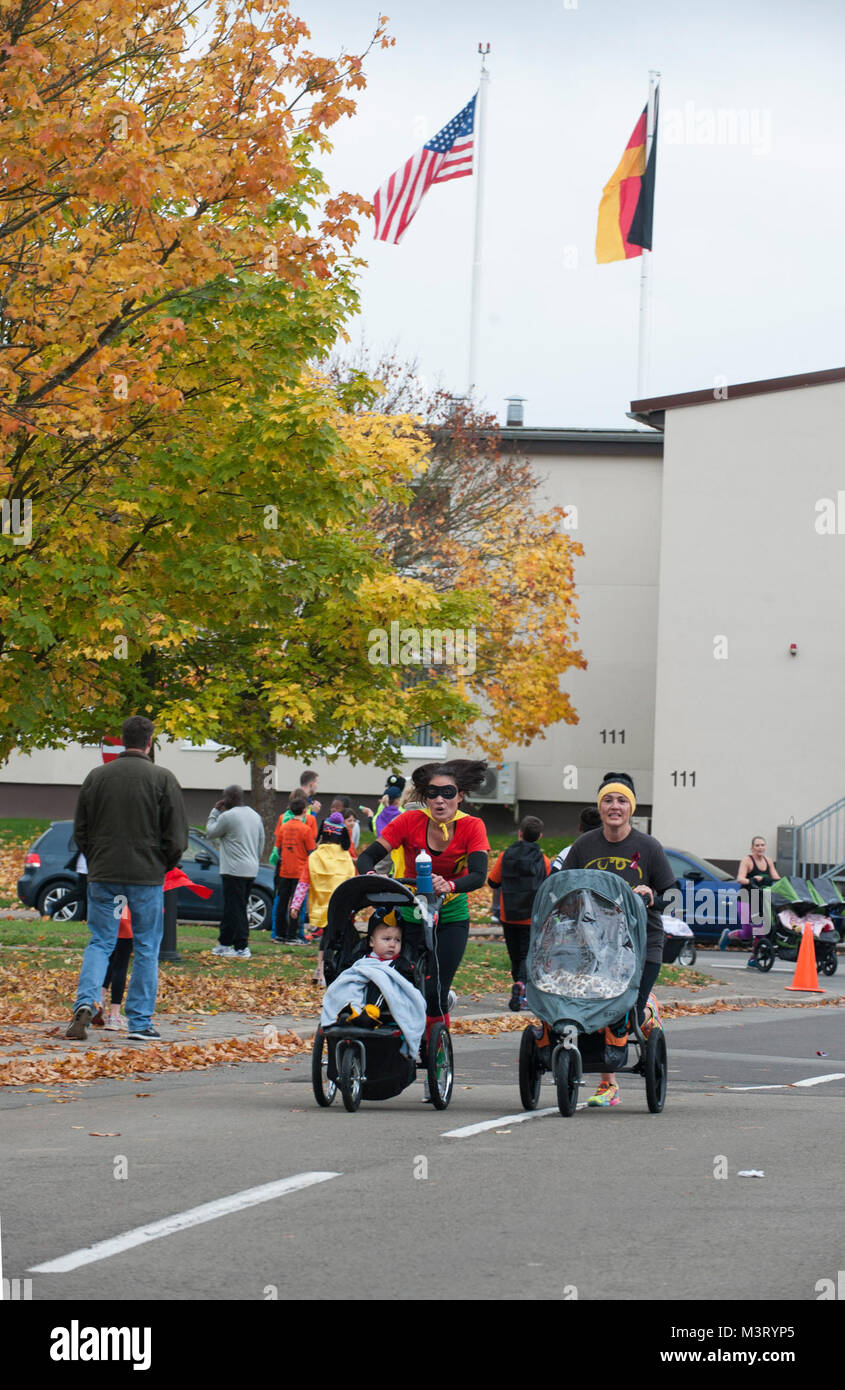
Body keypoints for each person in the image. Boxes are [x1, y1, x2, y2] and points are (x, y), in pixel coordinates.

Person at [66, 715, 188, 1043]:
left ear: (122, 739)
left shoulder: (97, 777)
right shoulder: (163, 778)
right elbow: (177, 836)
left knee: (101, 941)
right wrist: (162, 864)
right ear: (150, 743)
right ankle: (139, 1021)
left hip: (104, 873)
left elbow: (81, 830)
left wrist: (97, 859)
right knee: (147, 946)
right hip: (146, 875)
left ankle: (86, 1002)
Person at [562, 772, 675, 1107]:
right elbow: (563, 883)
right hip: (595, 943)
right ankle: (608, 1084)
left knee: (627, 1009)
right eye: (608, 800)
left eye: (622, 800)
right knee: (598, 1006)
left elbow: (673, 893)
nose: (615, 806)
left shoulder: (648, 847)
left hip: (643, 942)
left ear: (631, 808)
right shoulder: (585, 845)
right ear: (600, 808)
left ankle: (646, 1010)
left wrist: (652, 895)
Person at [354, 760, 490, 1033]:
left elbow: (478, 875)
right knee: (409, 983)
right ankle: (405, 1044)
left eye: (448, 793)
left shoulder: (472, 826)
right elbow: (368, 856)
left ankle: (437, 1050)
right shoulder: (409, 820)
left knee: (436, 992)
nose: (440, 800)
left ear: (460, 795)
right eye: (432, 793)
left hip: (451, 916)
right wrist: (372, 875)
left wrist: (449, 886)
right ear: (425, 796)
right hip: (411, 914)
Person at [320, 915, 426, 1059]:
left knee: (383, 980)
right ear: (371, 942)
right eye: (386, 939)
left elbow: (405, 982)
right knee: (350, 982)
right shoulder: (360, 958)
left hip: (383, 1001)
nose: (392, 944)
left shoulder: (400, 963)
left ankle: (370, 1013)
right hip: (359, 990)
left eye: (397, 940)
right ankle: (350, 1010)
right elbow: (347, 971)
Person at [488, 815, 550, 1012]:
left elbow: (492, 881)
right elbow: (548, 886)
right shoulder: (544, 860)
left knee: (515, 954)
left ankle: (518, 983)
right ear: (540, 836)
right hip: (532, 917)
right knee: (527, 954)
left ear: (520, 833)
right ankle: (522, 987)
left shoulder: (505, 855)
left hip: (508, 915)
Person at [206, 785, 265, 960]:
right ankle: (224, 943)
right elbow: (261, 841)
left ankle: (241, 946)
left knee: (236, 909)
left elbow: (210, 832)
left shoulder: (227, 816)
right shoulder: (255, 815)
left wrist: (214, 812)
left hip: (233, 870)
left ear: (228, 799)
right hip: (250, 868)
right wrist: (255, 859)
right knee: (233, 908)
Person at [719, 836, 781, 966]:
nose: (760, 848)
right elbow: (740, 878)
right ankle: (728, 935)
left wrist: (783, 882)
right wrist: (752, 880)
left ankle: (753, 958)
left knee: (760, 929)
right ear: (752, 847)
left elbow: (776, 877)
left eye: (762, 845)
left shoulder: (768, 861)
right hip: (746, 898)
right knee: (747, 933)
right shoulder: (747, 860)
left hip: (761, 899)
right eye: (757, 845)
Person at [273, 793, 317, 942]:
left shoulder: (284, 827)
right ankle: (293, 935)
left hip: (284, 870)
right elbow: (311, 850)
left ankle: (280, 933)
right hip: (300, 871)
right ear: (305, 810)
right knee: (296, 904)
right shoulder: (305, 829)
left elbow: (278, 848)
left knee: (282, 902)